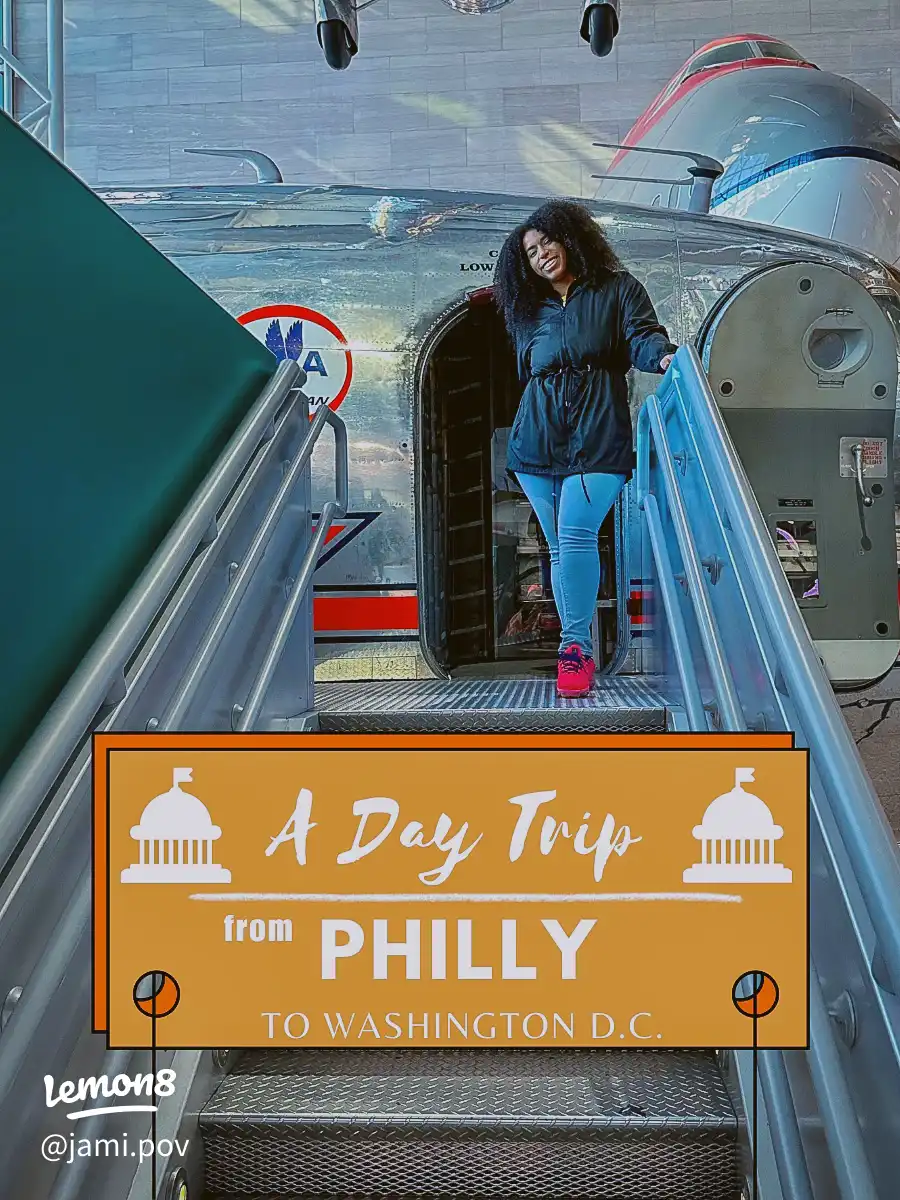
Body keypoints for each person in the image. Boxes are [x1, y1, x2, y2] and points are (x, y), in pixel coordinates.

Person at [494, 198, 676, 698]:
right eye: (530, 252)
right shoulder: (528, 310)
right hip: (537, 439)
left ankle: (575, 650)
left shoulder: (618, 289)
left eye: (547, 241)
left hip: (599, 434)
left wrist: (662, 357)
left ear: (571, 237)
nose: (541, 255)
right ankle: (576, 643)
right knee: (559, 544)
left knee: (574, 535)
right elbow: (528, 372)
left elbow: (642, 337)